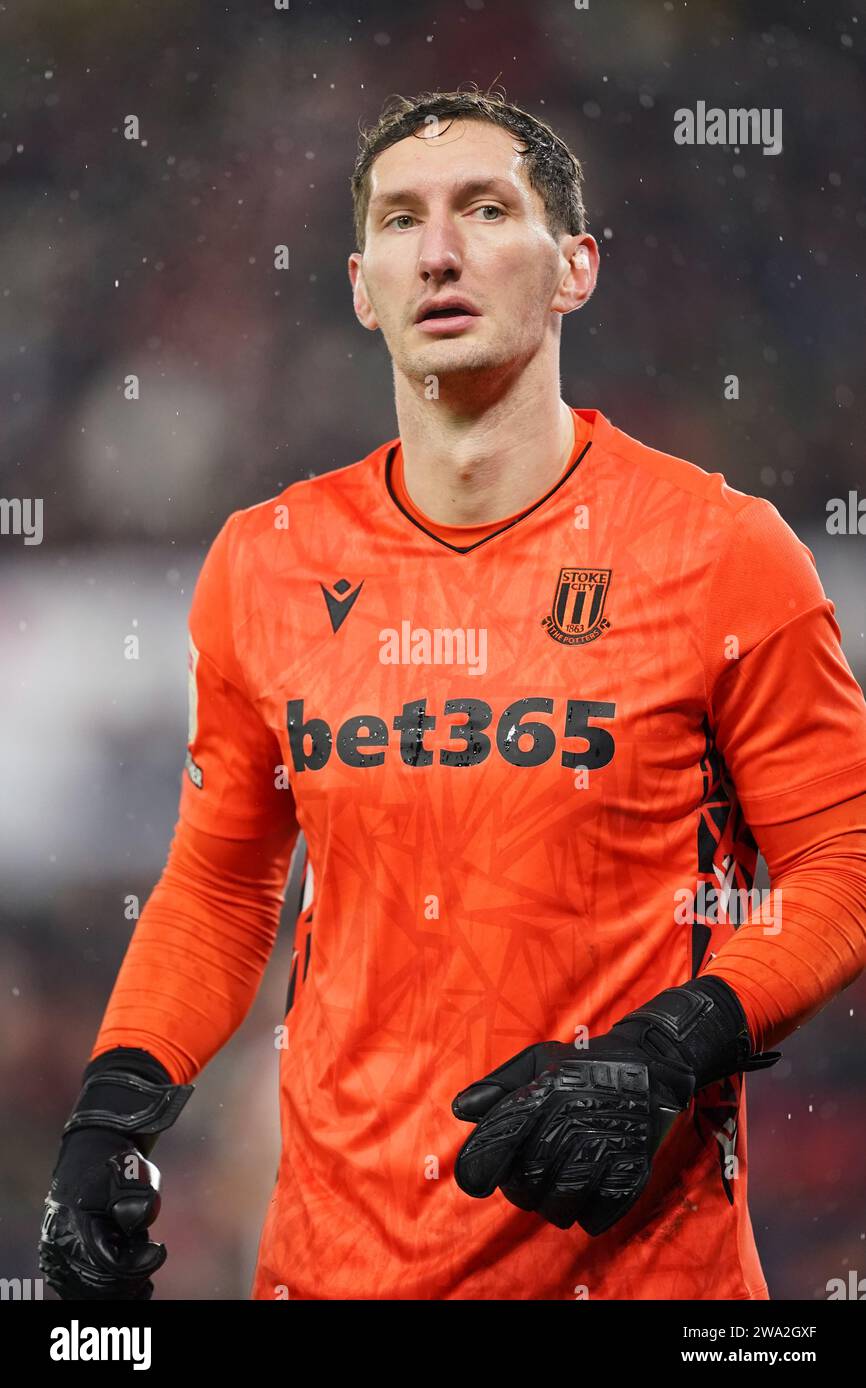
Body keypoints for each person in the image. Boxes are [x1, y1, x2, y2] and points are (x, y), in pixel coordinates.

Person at [40, 88, 866, 1302]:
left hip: (643, 1273)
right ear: (363, 285)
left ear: (573, 266)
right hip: (326, 1271)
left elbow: (840, 862)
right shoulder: (263, 561)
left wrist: (668, 1046)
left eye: (485, 209)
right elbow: (220, 880)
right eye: (399, 220)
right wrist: (110, 1113)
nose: (438, 250)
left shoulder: (721, 553)